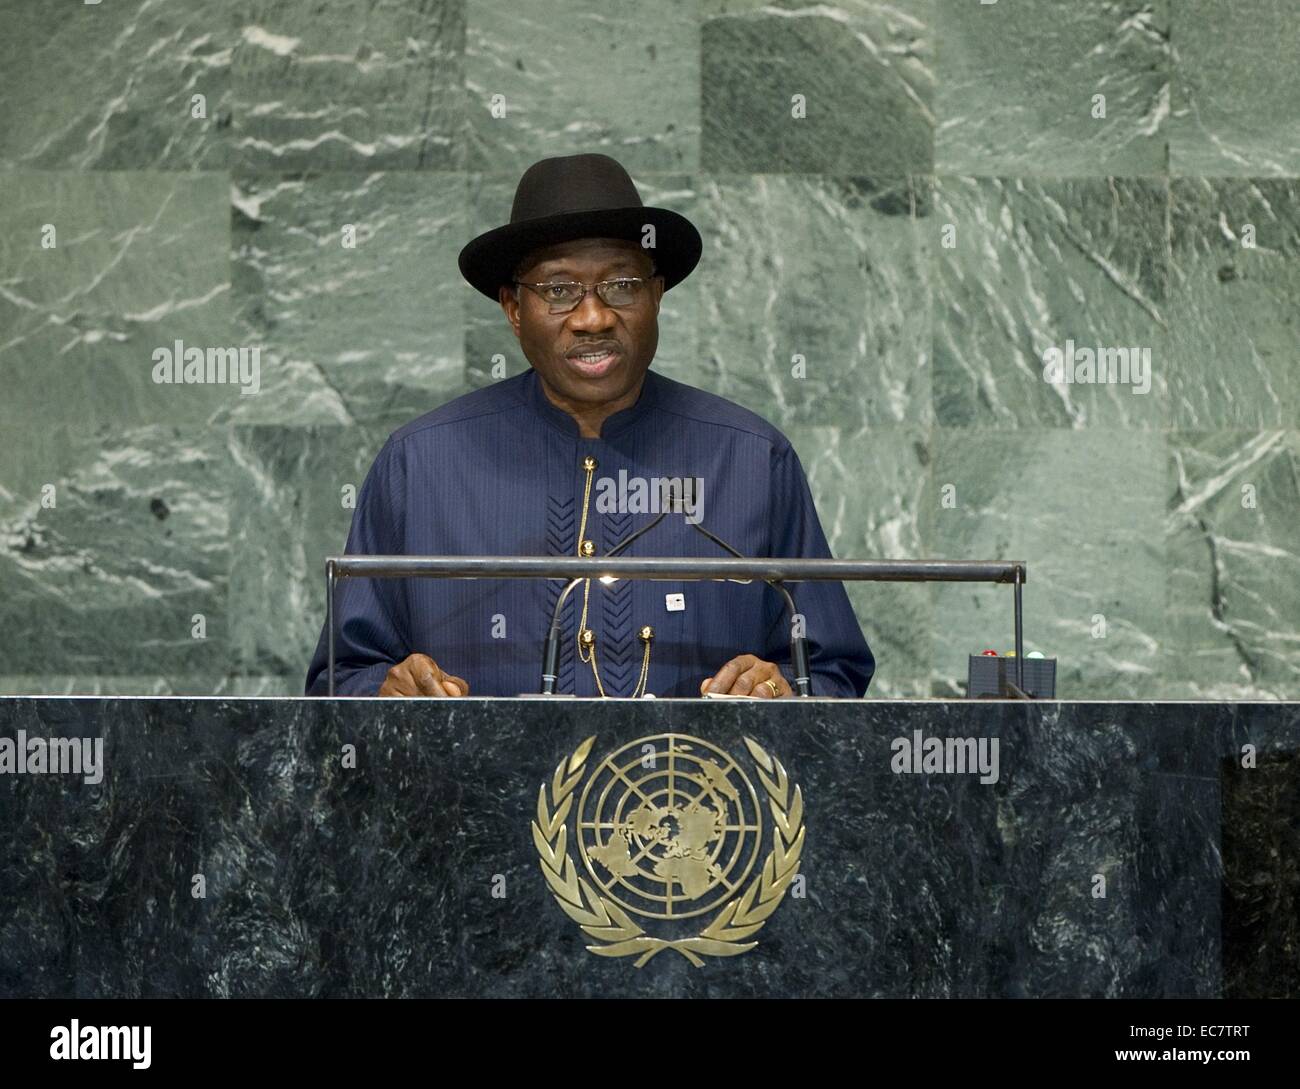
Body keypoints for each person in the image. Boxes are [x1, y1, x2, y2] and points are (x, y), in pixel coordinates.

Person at [304, 153, 874, 698]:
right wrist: (388, 691)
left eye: (622, 285)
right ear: (513, 309)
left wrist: (780, 688)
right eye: (558, 290)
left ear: (657, 296)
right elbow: (340, 679)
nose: (593, 317)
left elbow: (832, 671)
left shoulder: (749, 458)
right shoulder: (422, 462)